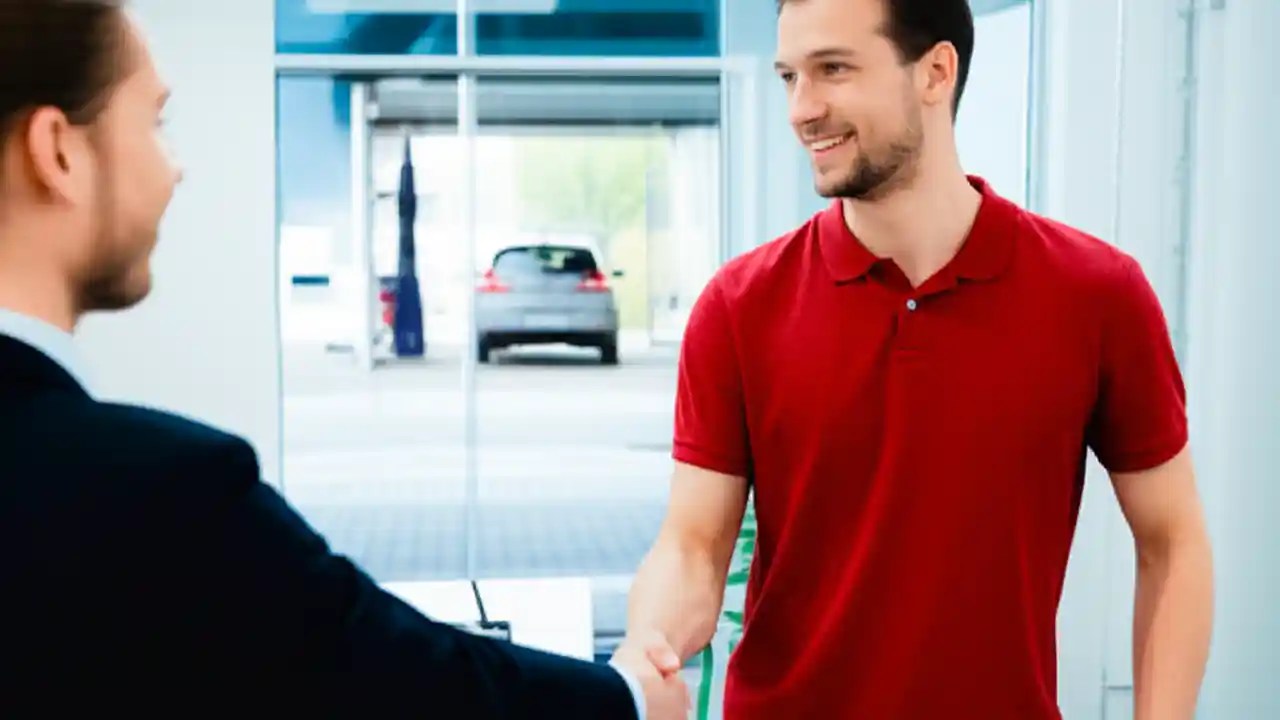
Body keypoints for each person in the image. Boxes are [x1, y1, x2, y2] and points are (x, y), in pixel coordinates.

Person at [0, 1, 688, 715]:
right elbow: (399, 680)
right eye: (154, 123)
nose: (175, 171)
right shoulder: (163, 492)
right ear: (58, 151)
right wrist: (629, 698)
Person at [614, 0, 1215, 717]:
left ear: (935, 72)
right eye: (789, 77)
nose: (802, 109)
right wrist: (648, 646)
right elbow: (693, 545)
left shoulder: (1097, 295)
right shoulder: (739, 307)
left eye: (833, 69)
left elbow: (1172, 541)